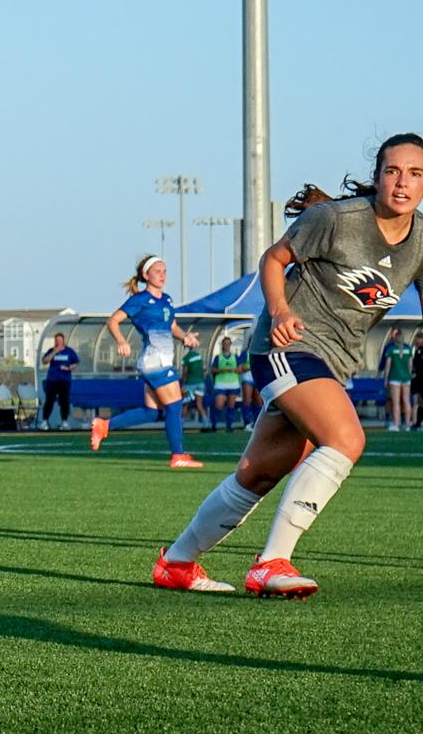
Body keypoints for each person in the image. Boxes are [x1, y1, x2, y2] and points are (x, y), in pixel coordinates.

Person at [152, 133, 423, 598]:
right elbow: (273, 259)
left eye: (415, 174)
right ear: (377, 176)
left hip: (332, 362)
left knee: (259, 472)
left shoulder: (420, 241)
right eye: (392, 171)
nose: (402, 182)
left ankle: (176, 563)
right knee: (345, 438)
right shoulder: (335, 220)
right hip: (284, 346)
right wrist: (278, 310)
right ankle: (270, 562)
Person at [89, 256, 204, 468]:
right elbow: (113, 320)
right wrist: (121, 340)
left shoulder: (167, 300)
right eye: (158, 271)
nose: (162, 275)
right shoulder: (140, 300)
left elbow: (172, 326)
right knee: (175, 405)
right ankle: (178, 456)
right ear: (146, 275)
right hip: (155, 361)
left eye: (165, 271)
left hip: (157, 361)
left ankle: (104, 426)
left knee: (152, 411)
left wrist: (185, 336)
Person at [36, 332, 78, 431]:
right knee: (49, 400)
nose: (58, 342)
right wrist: (54, 352)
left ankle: (64, 421)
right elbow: (45, 361)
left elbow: (75, 363)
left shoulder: (69, 351)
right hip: (52, 379)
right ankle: (45, 421)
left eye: (60, 340)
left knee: (64, 401)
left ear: (63, 340)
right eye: (57, 340)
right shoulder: (51, 351)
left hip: (64, 380)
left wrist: (68, 368)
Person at [378, 327, 413, 432]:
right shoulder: (408, 350)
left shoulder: (391, 350)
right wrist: (408, 375)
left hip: (395, 378)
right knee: (406, 401)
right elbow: (410, 365)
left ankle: (396, 424)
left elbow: (388, 366)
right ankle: (407, 424)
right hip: (406, 378)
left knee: (396, 402)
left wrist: (385, 379)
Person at [206, 336, 242, 432]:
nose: (226, 345)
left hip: (233, 384)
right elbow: (212, 369)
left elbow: (240, 369)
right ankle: (214, 425)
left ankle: (229, 426)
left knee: (231, 405)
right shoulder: (218, 357)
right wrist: (222, 370)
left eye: (228, 343)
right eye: (225, 343)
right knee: (219, 404)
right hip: (221, 384)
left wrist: (234, 370)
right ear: (222, 345)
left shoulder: (235, 356)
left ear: (230, 345)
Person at [179, 341, 207, 423]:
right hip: (200, 383)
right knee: (199, 404)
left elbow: (185, 373)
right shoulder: (198, 356)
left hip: (190, 384)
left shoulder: (186, 358)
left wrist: (183, 384)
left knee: (185, 405)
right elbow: (203, 370)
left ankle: (181, 424)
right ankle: (206, 423)